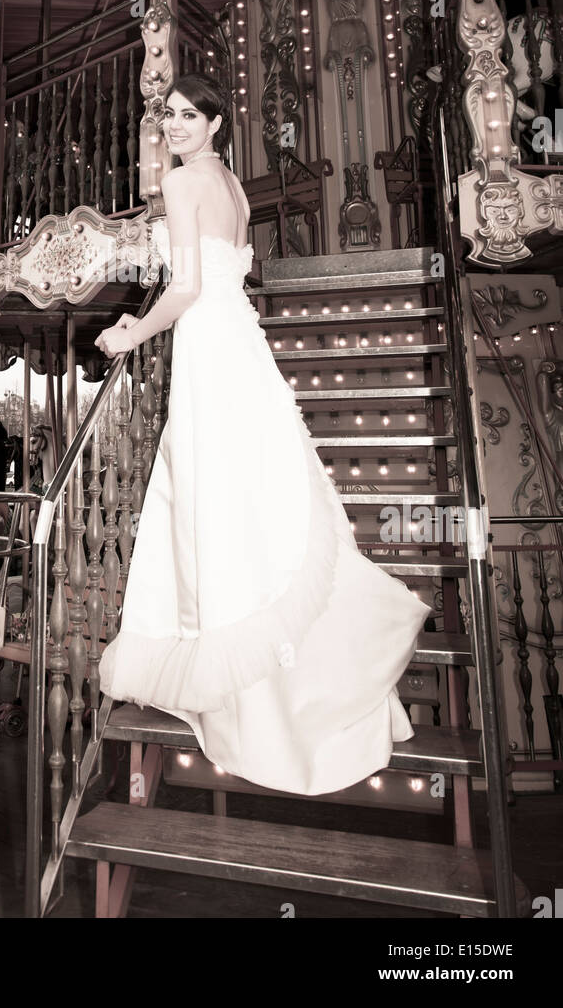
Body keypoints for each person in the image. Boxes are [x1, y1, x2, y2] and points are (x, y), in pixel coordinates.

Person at [94, 73, 430, 797]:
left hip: (211, 343)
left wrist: (131, 330)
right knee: (245, 491)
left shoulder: (184, 186)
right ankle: (271, 676)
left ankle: (242, 685)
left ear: (214, 121)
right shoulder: (236, 189)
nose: (176, 125)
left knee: (214, 494)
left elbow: (184, 288)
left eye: (189, 114)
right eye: (168, 115)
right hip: (236, 340)